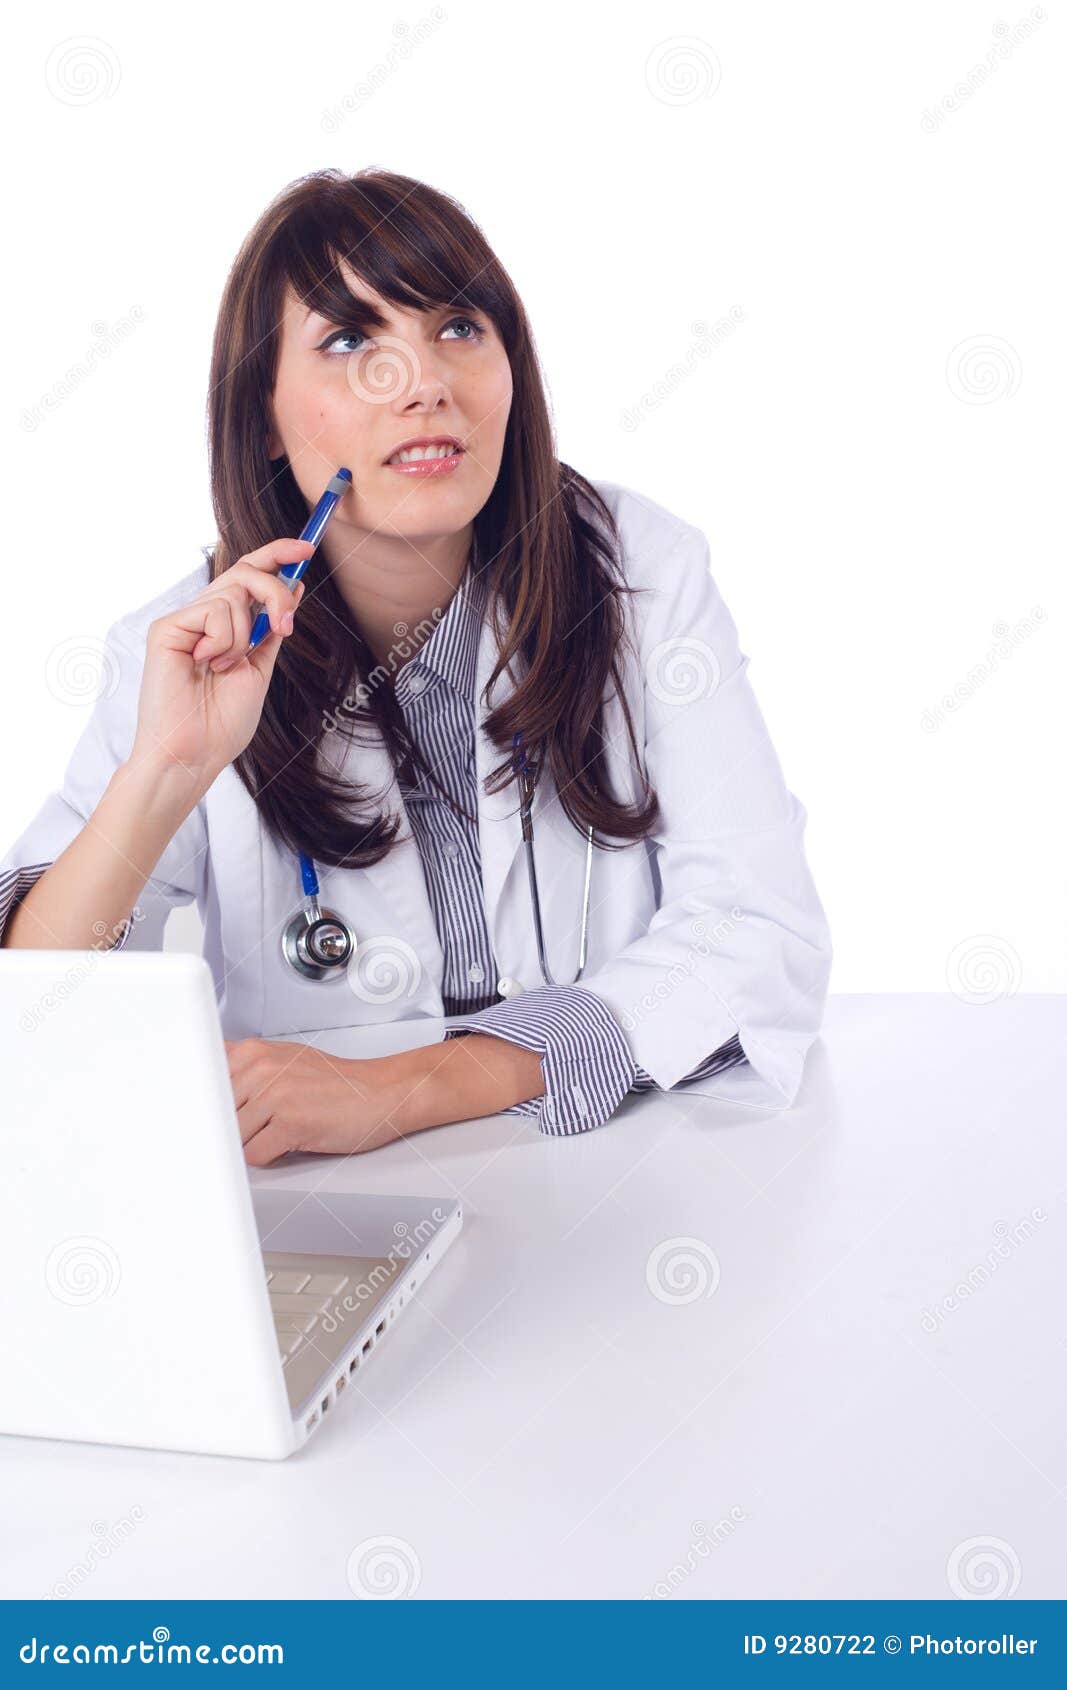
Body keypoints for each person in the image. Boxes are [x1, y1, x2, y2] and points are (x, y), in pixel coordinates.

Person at [0, 168, 832, 1165]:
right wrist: (166, 772)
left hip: (620, 1171)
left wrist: (402, 1091)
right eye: (350, 342)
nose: (423, 382)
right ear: (262, 416)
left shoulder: (639, 572)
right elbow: (35, 1018)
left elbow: (758, 931)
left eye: (458, 327)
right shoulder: (188, 649)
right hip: (323, 1204)